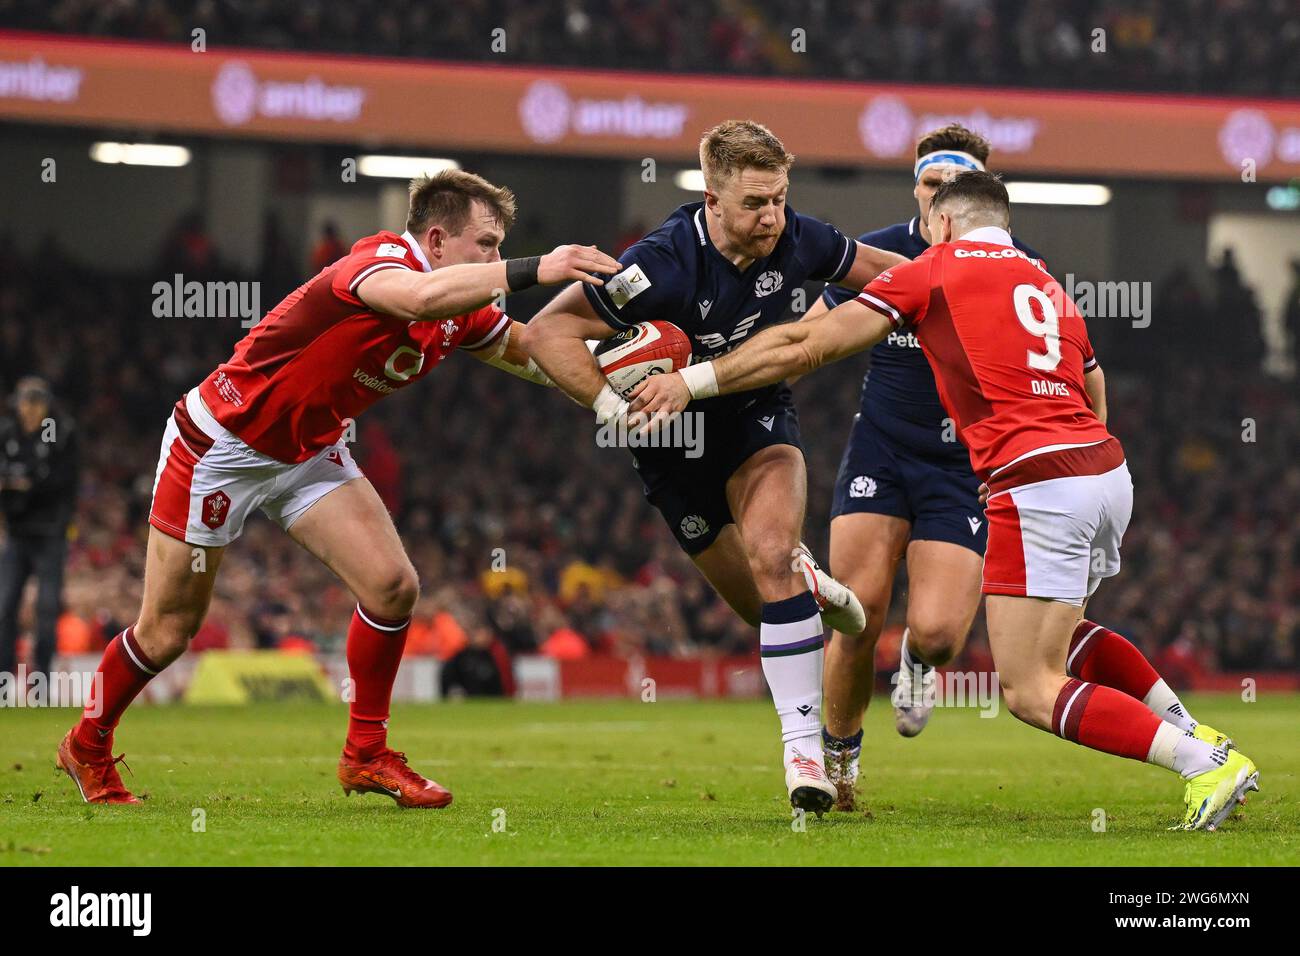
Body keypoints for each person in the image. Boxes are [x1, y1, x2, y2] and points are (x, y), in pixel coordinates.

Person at [630, 170, 1259, 831]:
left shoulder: (934, 268)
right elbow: (1092, 383)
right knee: (1062, 636)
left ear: (945, 224)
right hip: (1103, 472)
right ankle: (1200, 732)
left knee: (1029, 688)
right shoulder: (1047, 285)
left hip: (1037, 483)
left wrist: (694, 381)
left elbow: (808, 343)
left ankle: (1200, 764)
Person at [57, 169, 621, 806]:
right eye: (485, 244)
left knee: (393, 587)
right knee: (165, 633)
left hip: (309, 450)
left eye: (499, 247)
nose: (494, 258)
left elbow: (531, 350)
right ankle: (87, 743)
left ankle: (366, 755)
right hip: (221, 446)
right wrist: (533, 267)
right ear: (436, 240)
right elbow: (414, 300)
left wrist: (617, 376)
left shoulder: (459, 307)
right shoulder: (377, 263)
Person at [522, 120, 907, 815]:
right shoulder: (659, 263)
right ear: (712, 198)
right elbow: (546, 331)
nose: (772, 217)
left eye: (780, 198)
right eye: (756, 202)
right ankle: (807, 579)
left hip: (755, 418)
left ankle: (802, 753)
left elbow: (888, 274)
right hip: (669, 450)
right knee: (766, 607)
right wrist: (609, 405)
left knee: (768, 551)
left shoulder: (799, 238)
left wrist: (963, 287)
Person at [805, 124, 1043, 809]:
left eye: (955, 187)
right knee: (856, 614)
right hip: (881, 447)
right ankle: (837, 766)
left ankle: (916, 662)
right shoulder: (880, 253)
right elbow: (819, 333)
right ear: (916, 187)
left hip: (963, 462)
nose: (940, 197)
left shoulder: (1018, 263)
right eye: (931, 183)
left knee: (939, 637)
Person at [0, 377, 79, 687]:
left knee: (47, 608)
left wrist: (23, 486)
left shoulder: (61, 433)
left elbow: (61, 484)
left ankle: (42, 686)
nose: (31, 410)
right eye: (26, 403)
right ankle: (4, 686)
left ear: (47, 406)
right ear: (17, 405)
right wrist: (25, 486)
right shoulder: (7, 433)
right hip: (18, 534)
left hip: (50, 534)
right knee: (5, 606)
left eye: (37, 403)